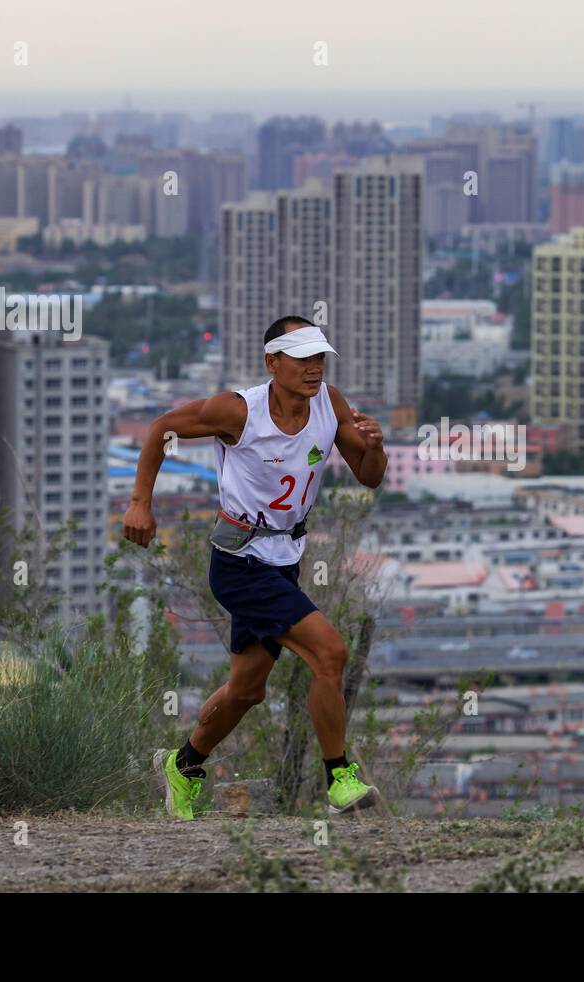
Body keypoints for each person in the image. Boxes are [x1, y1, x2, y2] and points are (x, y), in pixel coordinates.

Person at [122, 315, 388, 819]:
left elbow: (369, 477)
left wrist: (375, 447)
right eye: (302, 358)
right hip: (240, 564)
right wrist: (140, 504)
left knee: (246, 690)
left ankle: (184, 767)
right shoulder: (238, 411)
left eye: (320, 358)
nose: (314, 369)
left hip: (284, 561)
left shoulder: (329, 405)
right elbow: (161, 429)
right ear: (273, 362)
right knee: (330, 653)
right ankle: (340, 781)